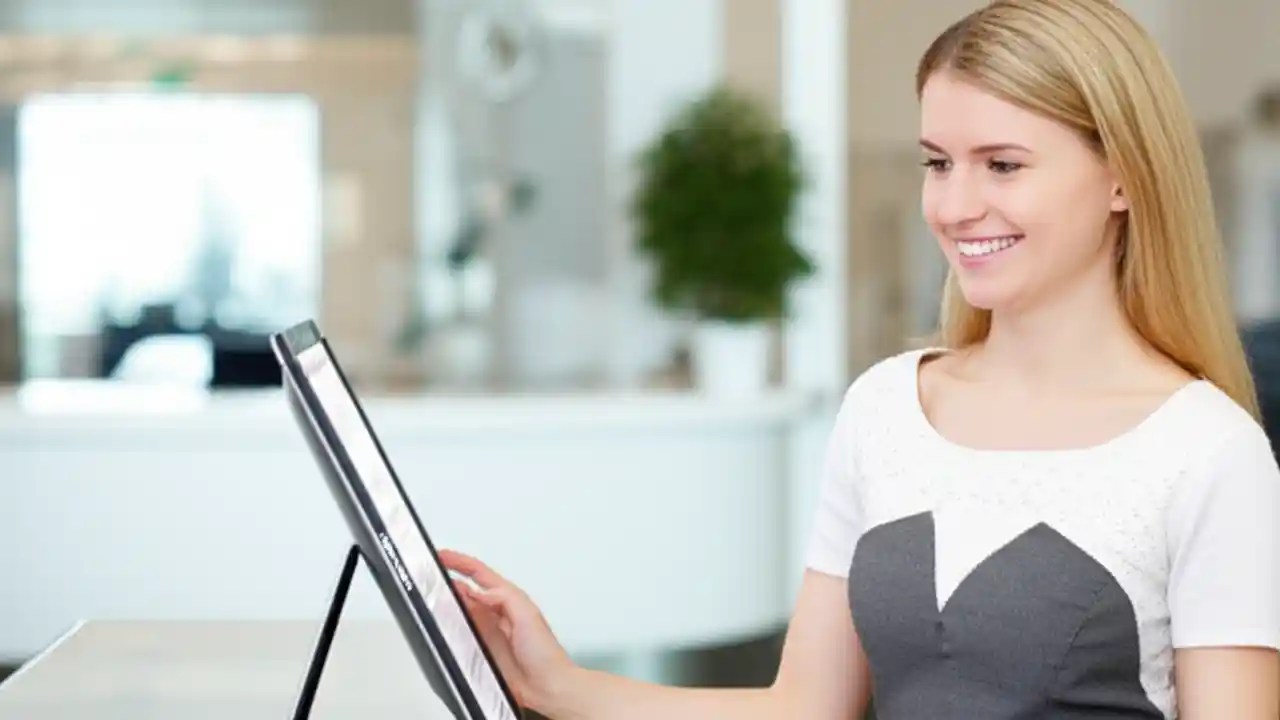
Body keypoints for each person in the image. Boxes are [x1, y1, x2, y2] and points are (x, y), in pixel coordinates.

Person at [439, 0, 1280, 716]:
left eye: (1004, 164)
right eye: (938, 163)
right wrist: (563, 685)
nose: (955, 205)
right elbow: (804, 707)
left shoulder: (1207, 452)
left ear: (1123, 178)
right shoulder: (886, 409)